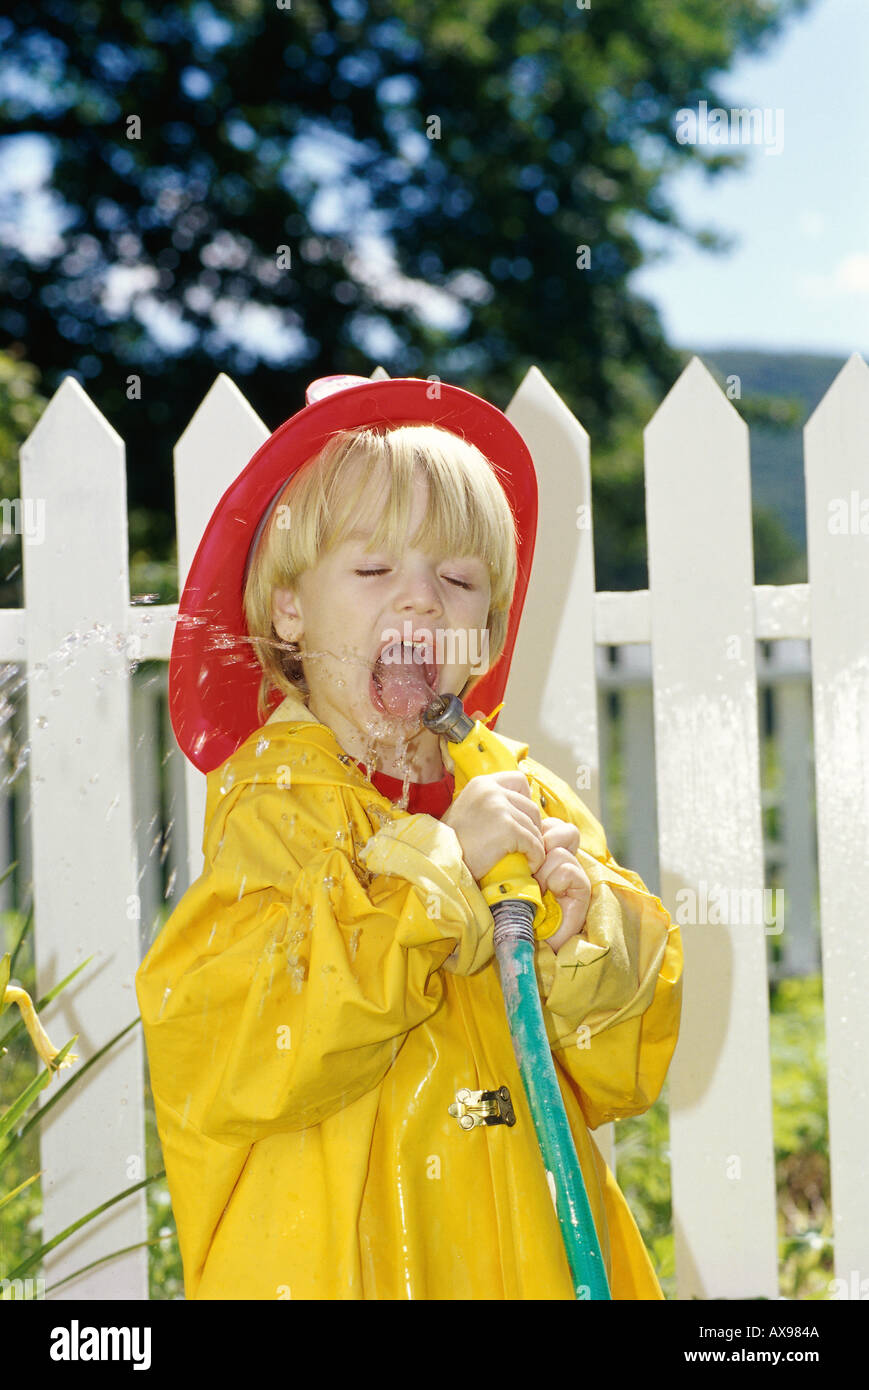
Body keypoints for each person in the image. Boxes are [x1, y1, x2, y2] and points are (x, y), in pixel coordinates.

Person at [136, 374, 683, 1301]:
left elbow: (613, 1069)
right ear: (289, 613)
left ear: (485, 629)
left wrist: (580, 936)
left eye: (457, 579)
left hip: (524, 1249)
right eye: (373, 570)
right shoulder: (279, 799)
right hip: (337, 1257)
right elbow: (252, 1038)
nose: (421, 602)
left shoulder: (519, 792)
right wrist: (438, 877)